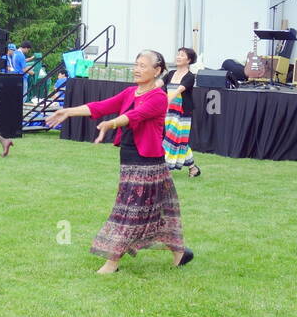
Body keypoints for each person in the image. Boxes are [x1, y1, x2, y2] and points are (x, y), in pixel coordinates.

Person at [46, 50, 193, 274]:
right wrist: (69, 111)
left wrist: (111, 124)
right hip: (129, 159)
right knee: (154, 210)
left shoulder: (158, 97)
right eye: (136, 64)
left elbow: (135, 116)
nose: (137, 69)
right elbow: (101, 106)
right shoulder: (130, 92)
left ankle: (112, 262)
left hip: (148, 165)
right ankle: (180, 254)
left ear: (157, 71)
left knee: (130, 211)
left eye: (143, 65)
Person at [163, 47, 201, 177]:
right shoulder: (170, 73)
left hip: (182, 113)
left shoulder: (190, 76)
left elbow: (178, 90)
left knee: (171, 139)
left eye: (182, 55)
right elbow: (159, 85)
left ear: (189, 60)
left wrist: (167, 100)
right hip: (169, 112)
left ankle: (166, 169)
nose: (178, 57)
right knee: (180, 141)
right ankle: (193, 168)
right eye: (178, 54)